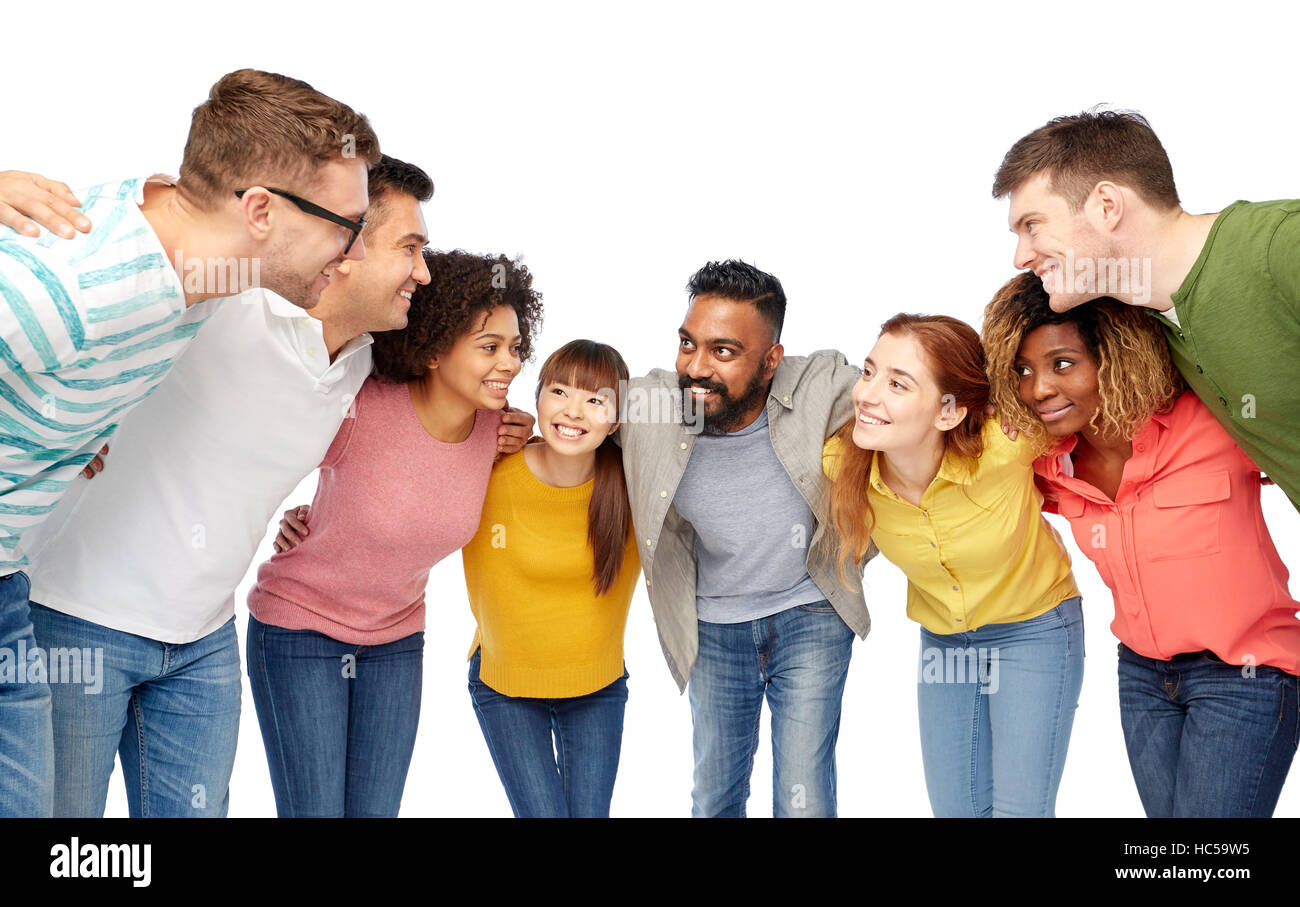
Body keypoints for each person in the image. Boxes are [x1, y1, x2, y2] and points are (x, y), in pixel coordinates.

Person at [4, 158, 529, 817]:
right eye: (410, 248)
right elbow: (150, 231)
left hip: (203, 641)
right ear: (348, 243)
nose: (421, 272)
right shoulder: (233, 297)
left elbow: (412, 435)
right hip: (76, 617)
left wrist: (505, 425)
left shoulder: (369, 363)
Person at [0, 68, 380, 818]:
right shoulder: (61, 294)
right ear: (262, 210)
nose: (355, 253)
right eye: (347, 226)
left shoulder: (209, 265)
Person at [982, 271, 1300, 817]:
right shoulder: (1047, 465)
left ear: (1115, 354)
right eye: (1023, 371)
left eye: (1063, 363)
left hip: (1247, 675)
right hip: (1144, 678)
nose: (1038, 388)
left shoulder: (1214, 422)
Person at [253, 248, 544, 817]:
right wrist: (286, 515)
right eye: (490, 348)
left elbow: (571, 459)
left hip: (396, 641)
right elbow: (258, 449)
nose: (509, 364)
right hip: (299, 630)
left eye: (515, 348)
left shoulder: (499, 434)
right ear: (435, 350)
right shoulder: (362, 406)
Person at [617, 260, 872, 818]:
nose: (696, 367)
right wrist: (517, 430)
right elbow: (573, 410)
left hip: (810, 615)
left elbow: (905, 386)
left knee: (802, 796)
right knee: (714, 796)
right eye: (688, 344)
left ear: (771, 360)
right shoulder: (651, 406)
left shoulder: (821, 386)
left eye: (723, 351)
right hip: (713, 627)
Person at [824, 313, 1083, 818]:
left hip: (1035, 630)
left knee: (1019, 812)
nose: (869, 395)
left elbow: (1091, 411)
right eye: (870, 372)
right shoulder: (841, 462)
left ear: (947, 413)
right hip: (944, 642)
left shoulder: (1006, 446)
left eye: (898, 383)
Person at [994, 108, 1300, 513]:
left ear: (1106, 205)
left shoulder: (1282, 246)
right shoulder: (1155, 332)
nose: (1021, 257)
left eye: (1032, 225)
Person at [462, 339, 640, 817]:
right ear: (535, 398)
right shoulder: (490, 469)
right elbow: (414, 475)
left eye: (596, 399)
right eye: (559, 391)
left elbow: (691, 431)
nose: (574, 411)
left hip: (598, 688)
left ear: (619, 419)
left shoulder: (636, 489)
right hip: (506, 687)